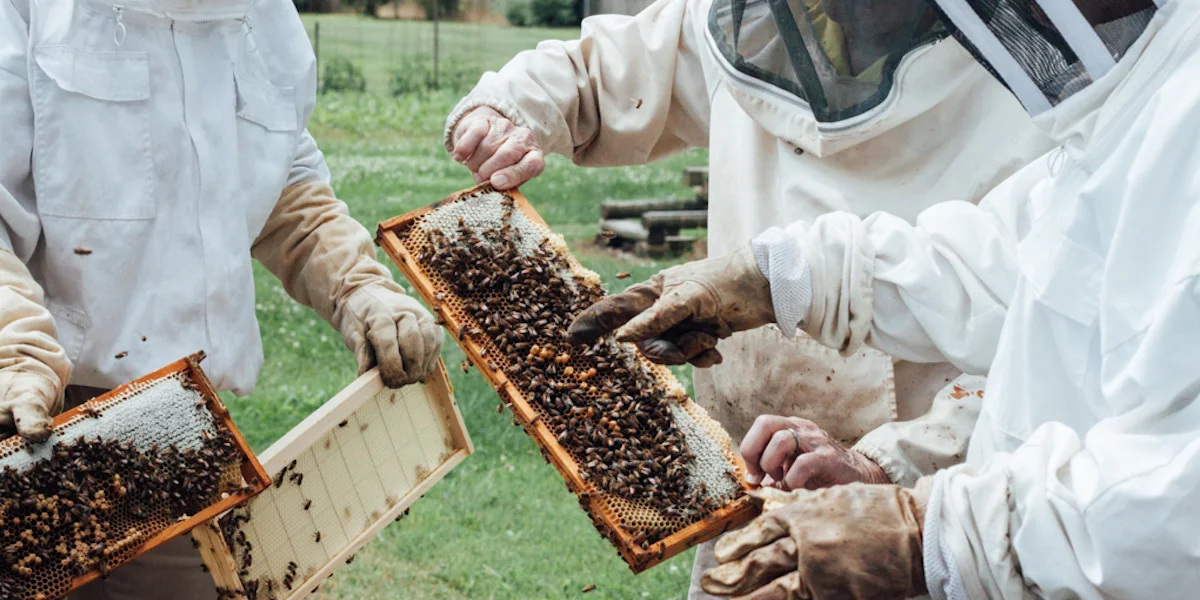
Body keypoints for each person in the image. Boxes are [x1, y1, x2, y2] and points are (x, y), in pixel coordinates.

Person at [573, 0, 1199, 596]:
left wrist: (931, 532)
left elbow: (1176, 508)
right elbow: (1002, 263)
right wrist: (777, 277)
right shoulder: (1138, 98)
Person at [445, 0, 1052, 592]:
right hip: (741, 479)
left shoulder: (1034, 86)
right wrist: (512, 107)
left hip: (922, 528)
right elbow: (611, 69)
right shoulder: (756, 22)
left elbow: (1045, 355)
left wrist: (886, 465)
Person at [0, 0, 442, 598]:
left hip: (182, 425)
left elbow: (283, 178)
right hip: (37, 411)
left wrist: (356, 285)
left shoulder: (263, 16)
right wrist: (14, 349)